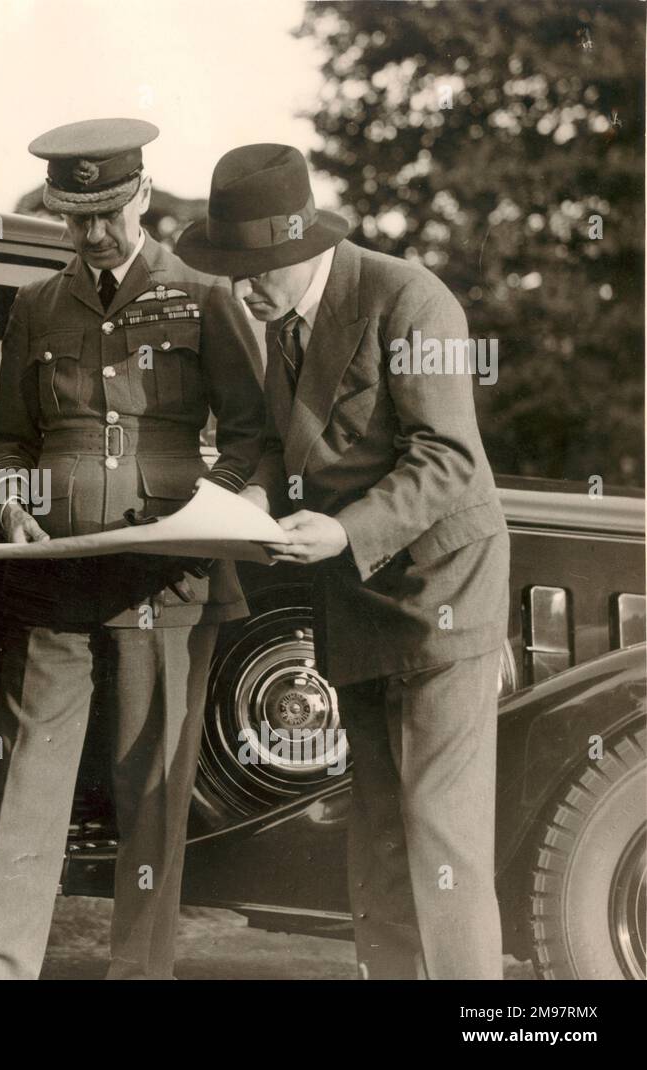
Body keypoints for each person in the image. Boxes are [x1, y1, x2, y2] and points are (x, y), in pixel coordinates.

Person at [176, 142, 509, 979]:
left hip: (442, 592)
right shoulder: (272, 318)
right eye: (232, 272)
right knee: (379, 827)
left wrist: (345, 531)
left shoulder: (412, 299)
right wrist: (249, 501)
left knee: (440, 831)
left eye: (257, 270)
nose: (243, 290)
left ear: (304, 245)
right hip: (355, 597)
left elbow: (450, 460)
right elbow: (272, 451)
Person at [0, 118, 265, 980]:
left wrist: (208, 509)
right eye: (73, 219)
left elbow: (249, 436)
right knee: (28, 773)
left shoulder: (205, 294)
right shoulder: (39, 305)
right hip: (50, 574)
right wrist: (12, 501)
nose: (91, 235)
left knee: (152, 790)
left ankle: (141, 969)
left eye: (106, 216)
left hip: (164, 575)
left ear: (141, 195)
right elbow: (10, 436)